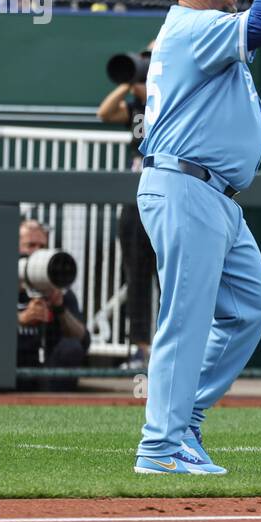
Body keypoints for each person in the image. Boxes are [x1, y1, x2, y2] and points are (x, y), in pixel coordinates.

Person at [132, 0, 261, 475]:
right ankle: (160, 447)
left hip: (214, 194)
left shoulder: (203, 28)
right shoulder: (192, 27)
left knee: (251, 306)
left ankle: (185, 422)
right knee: (186, 318)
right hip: (185, 186)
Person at [0, 219, 89, 392]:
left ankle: (53, 408)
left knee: (71, 348)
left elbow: (83, 340)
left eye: (42, 246)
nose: (37, 252)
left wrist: (60, 308)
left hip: (42, 372)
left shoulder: (58, 288)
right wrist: (19, 319)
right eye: (30, 245)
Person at [96, 62, 155, 359]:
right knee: (136, 273)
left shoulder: (173, 100)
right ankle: (141, 346)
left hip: (168, 196)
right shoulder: (135, 110)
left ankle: (177, 349)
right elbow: (104, 112)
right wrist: (128, 79)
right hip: (136, 200)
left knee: (171, 274)